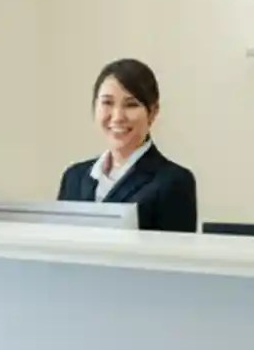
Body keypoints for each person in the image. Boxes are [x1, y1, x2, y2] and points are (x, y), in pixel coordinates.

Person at [57, 58, 197, 232]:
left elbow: (174, 249)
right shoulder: (74, 177)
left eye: (131, 105)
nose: (117, 117)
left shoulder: (174, 182)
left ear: (153, 112)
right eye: (107, 103)